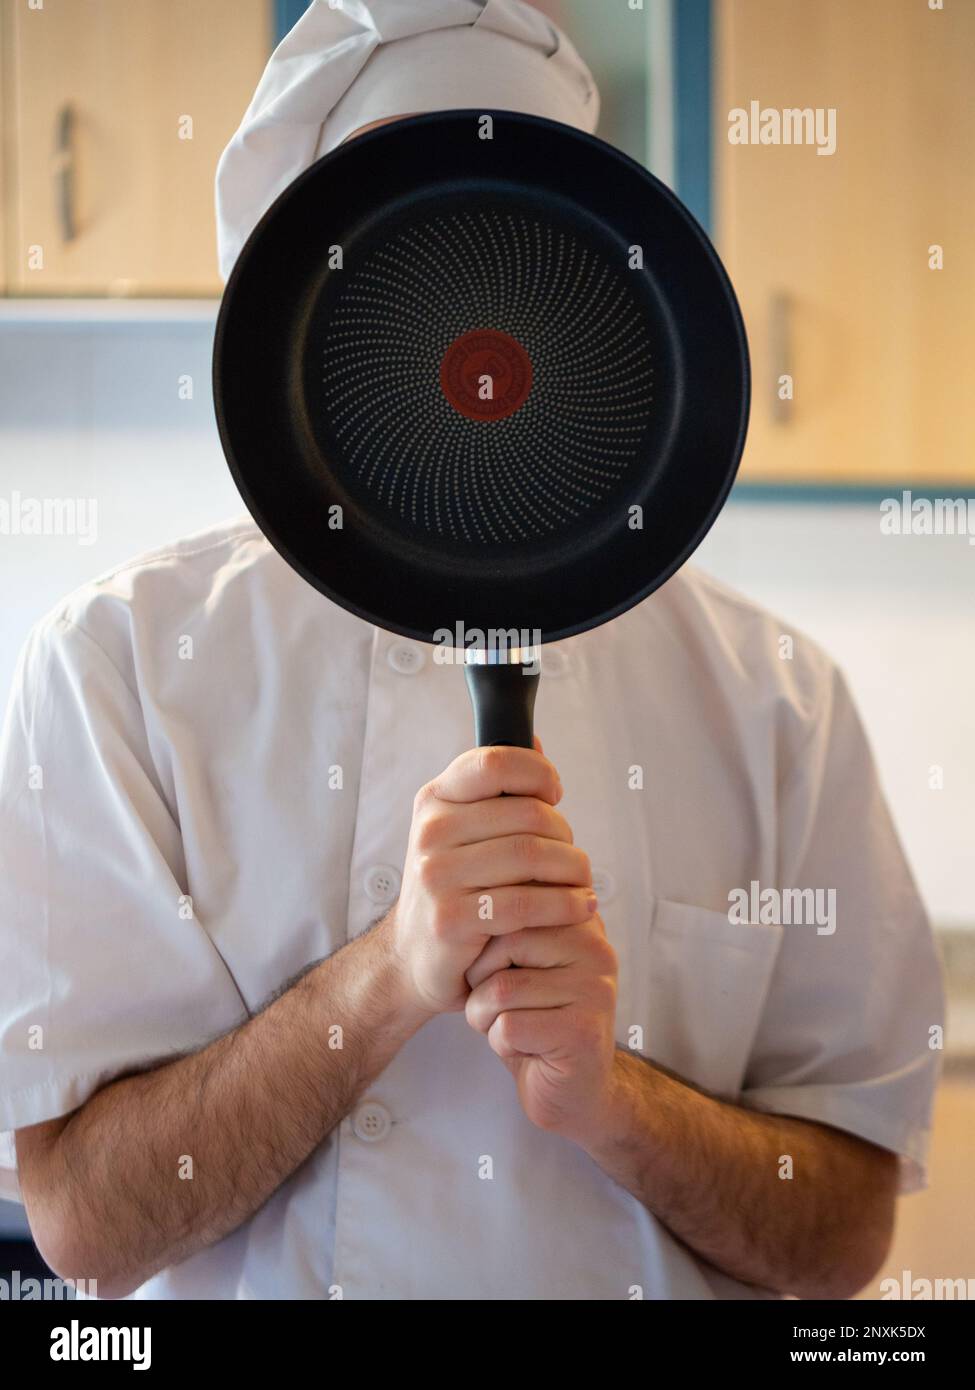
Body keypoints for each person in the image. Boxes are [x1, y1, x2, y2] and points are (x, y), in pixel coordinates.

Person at [0, 0, 943, 1301]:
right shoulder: (116, 670)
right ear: (295, 321)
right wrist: (388, 976)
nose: (474, 329)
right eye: (412, 272)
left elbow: (840, 1233)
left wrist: (612, 1098)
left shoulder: (777, 700)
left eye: (516, 262)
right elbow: (85, 1223)